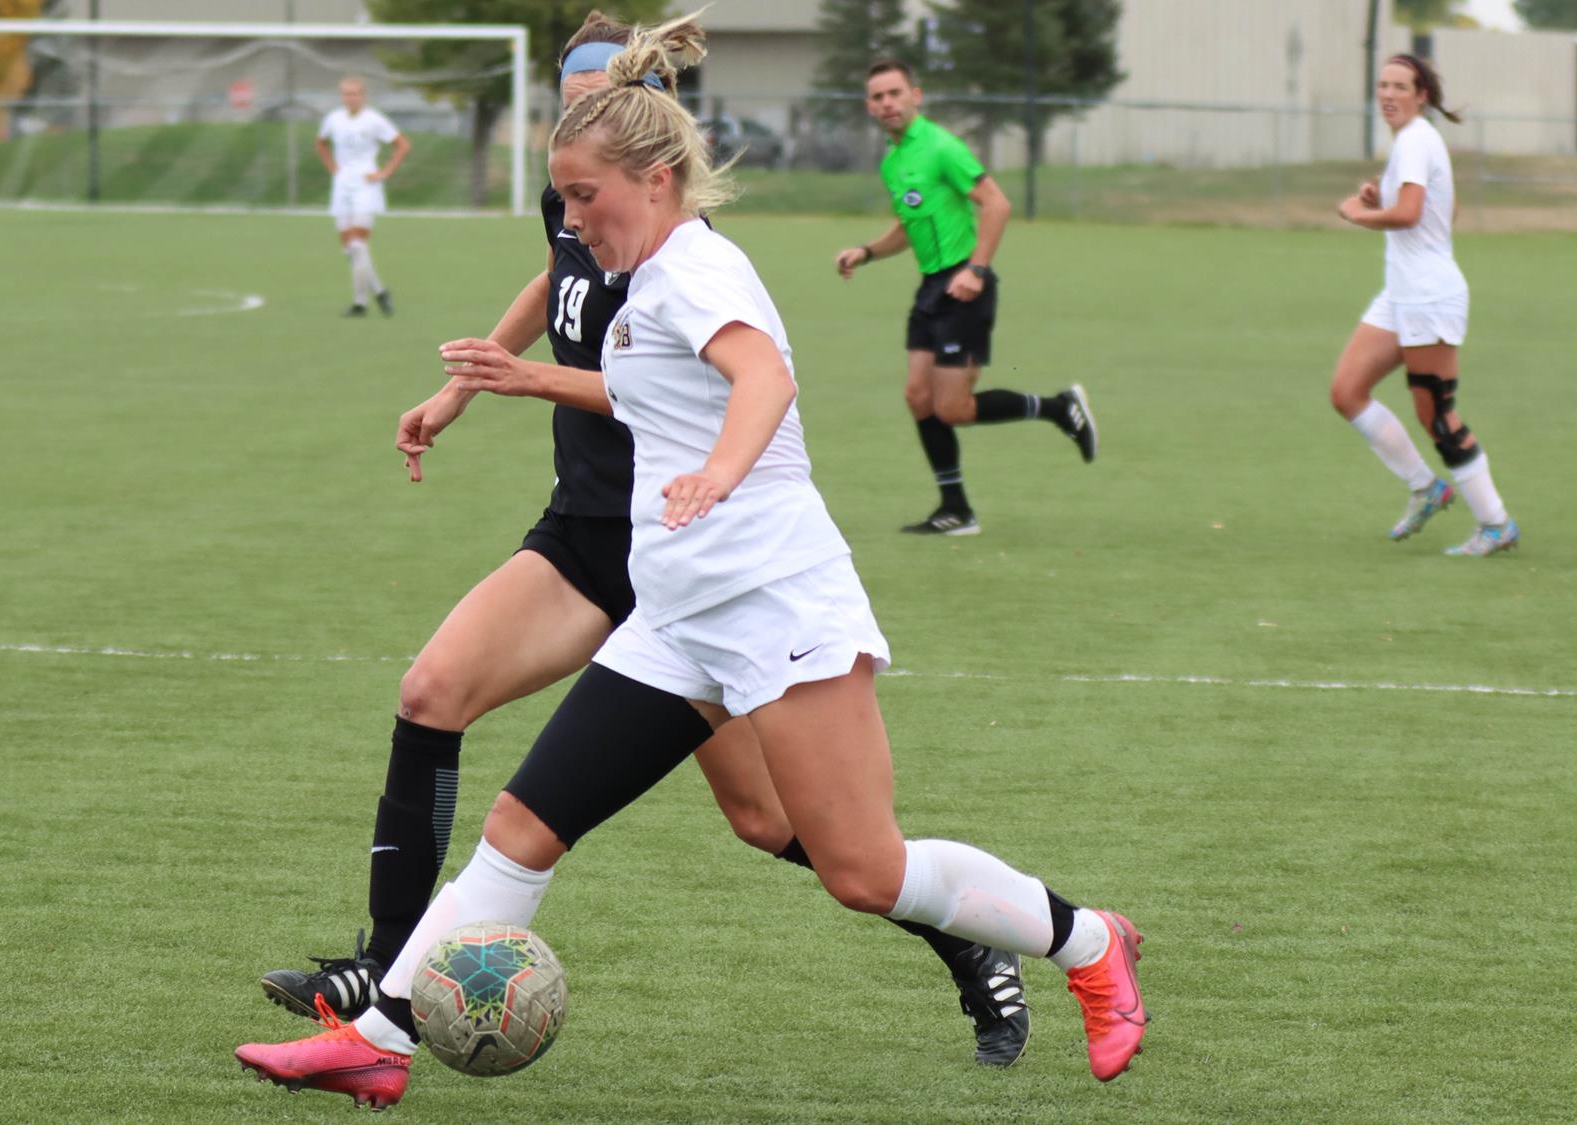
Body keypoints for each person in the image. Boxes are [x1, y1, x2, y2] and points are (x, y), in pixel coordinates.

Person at [237, 16, 1146, 1110]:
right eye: (562, 200)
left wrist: (719, 470)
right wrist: (514, 382)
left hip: (773, 602)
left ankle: (1090, 941)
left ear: (657, 179)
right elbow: (648, 389)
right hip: (674, 614)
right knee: (522, 828)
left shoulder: (697, 270)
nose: (572, 222)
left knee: (863, 870)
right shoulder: (640, 276)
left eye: (586, 198)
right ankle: (379, 1037)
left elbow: (762, 377)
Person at [834, 61, 1095, 537]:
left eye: (895, 93)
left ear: (916, 95)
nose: (887, 103)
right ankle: (955, 509)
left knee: (953, 407)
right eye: (877, 97)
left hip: (965, 286)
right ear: (868, 106)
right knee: (918, 397)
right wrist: (867, 252)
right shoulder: (893, 161)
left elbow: (997, 203)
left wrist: (977, 269)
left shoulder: (940, 147)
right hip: (932, 286)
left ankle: (1060, 408)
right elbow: (908, 228)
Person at [1331, 54, 1518, 556]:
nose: (1388, 95)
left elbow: (1413, 214)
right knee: (1347, 391)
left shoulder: (1415, 139)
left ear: (1422, 95)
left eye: (1399, 87)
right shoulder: (1417, 142)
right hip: (1402, 293)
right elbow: (1443, 210)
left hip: (1429, 296)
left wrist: (1356, 214)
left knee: (1437, 415)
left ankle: (1496, 523)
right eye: (1382, 85)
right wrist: (1381, 203)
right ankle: (1425, 487)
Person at [317, 78, 410, 317]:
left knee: (358, 245)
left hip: (366, 186)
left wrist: (384, 173)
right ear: (342, 96)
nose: (351, 98)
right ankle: (379, 291)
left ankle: (360, 303)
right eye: (347, 94)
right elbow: (321, 143)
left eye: (355, 93)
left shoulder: (374, 120)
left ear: (363, 96)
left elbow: (402, 145)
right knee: (349, 250)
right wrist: (333, 169)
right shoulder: (334, 119)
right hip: (341, 186)